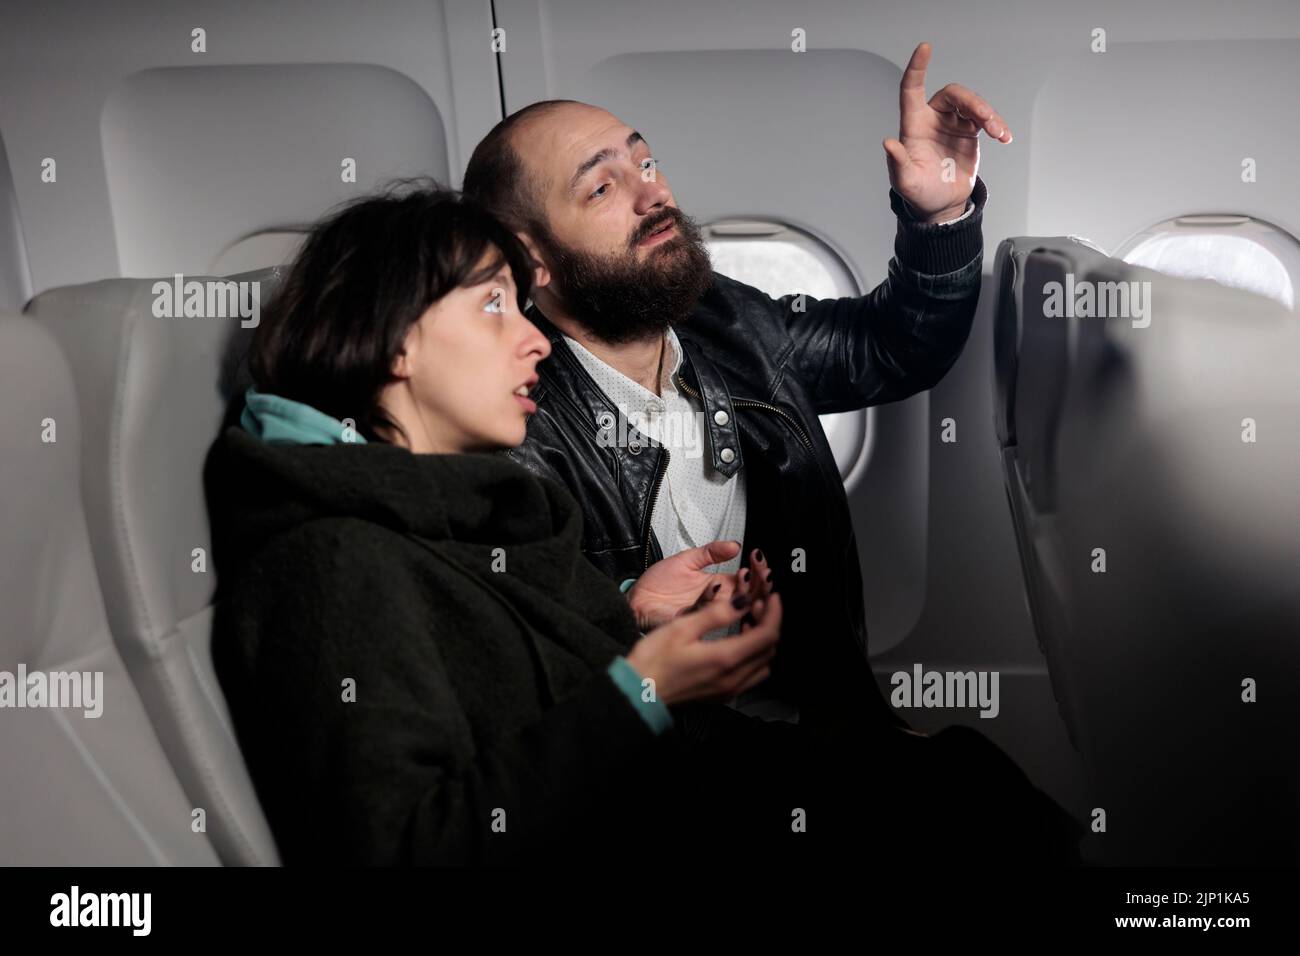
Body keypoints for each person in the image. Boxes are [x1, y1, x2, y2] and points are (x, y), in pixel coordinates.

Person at [205, 179, 1083, 866]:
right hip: (639, 832)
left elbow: (520, 671)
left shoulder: (469, 504)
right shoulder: (332, 561)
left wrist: (635, 613)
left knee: (961, 780)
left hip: (665, 797)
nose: (536, 341)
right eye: (492, 308)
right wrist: (648, 689)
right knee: (968, 809)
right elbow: (410, 850)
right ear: (393, 340)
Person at [458, 43, 1006, 732]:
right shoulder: (508, 428)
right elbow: (501, 665)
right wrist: (625, 617)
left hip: (816, 722)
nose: (655, 194)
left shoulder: (725, 319)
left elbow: (890, 349)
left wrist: (937, 216)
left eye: (646, 162)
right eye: (602, 188)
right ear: (527, 256)